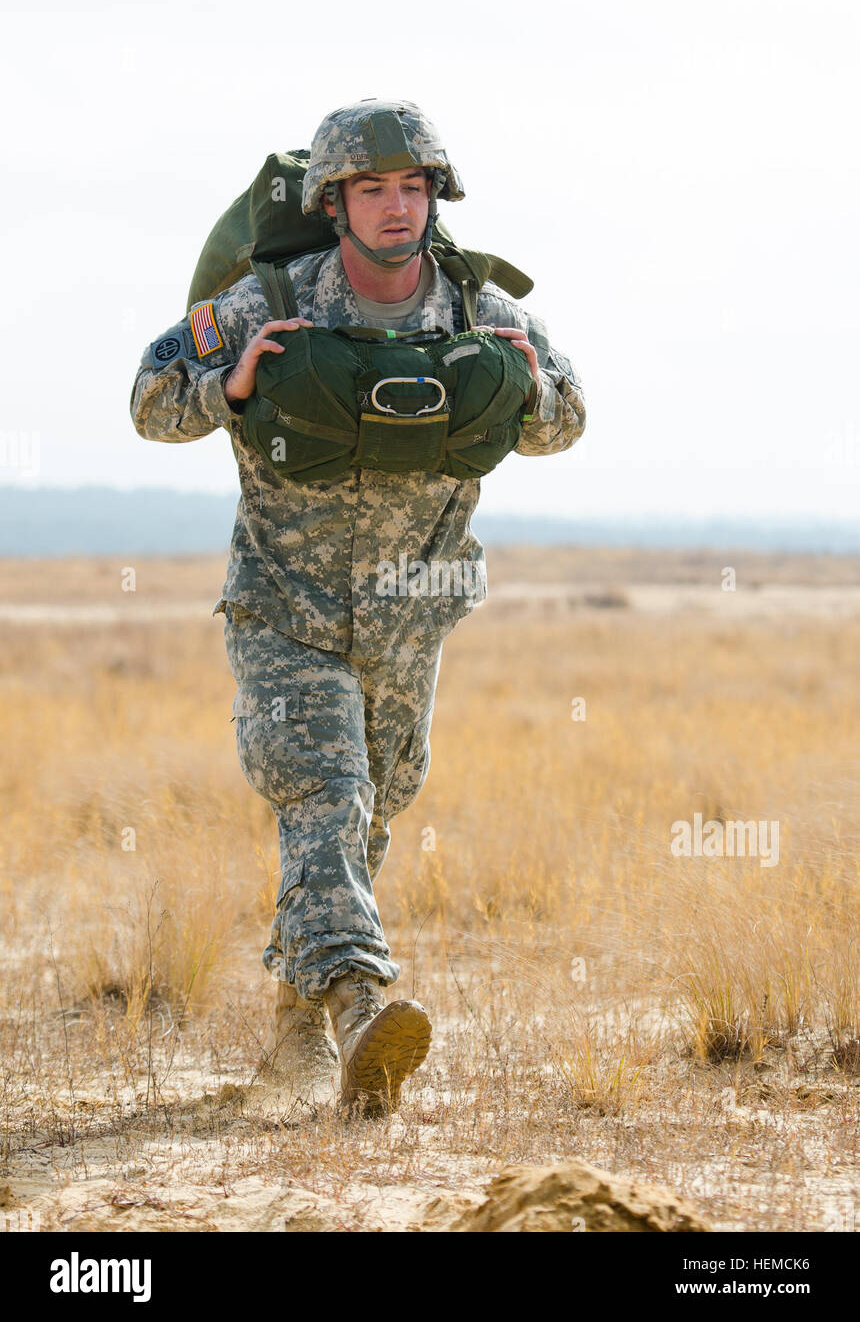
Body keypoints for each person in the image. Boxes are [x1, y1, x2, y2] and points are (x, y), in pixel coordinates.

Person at [130, 99, 586, 1117]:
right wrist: (229, 389)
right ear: (332, 204)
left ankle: (299, 1025)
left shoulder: (478, 308)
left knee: (371, 812)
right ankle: (358, 1005)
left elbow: (566, 417)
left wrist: (521, 386)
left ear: (434, 196)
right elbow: (149, 399)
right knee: (324, 790)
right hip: (284, 609)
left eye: (411, 187)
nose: (394, 207)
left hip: (411, 614)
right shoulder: (270, 297)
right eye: (371, 189)